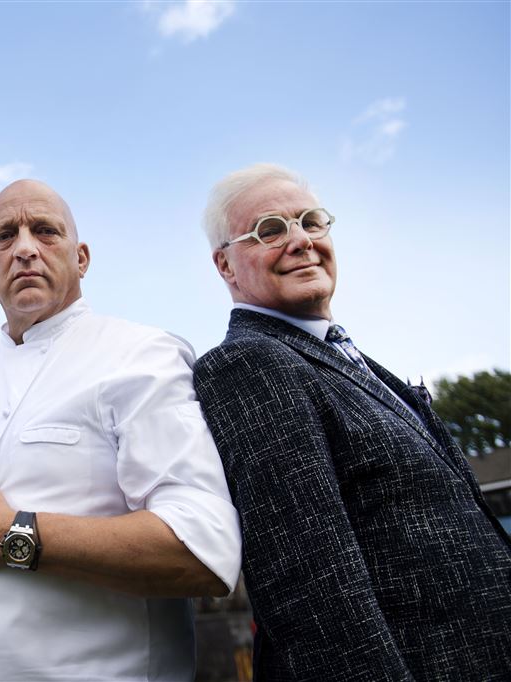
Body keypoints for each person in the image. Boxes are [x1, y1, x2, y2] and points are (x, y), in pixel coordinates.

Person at [0, 179, 242, 681]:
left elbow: (203, 551)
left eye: (45, 231)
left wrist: (10, 535)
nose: (25, 248)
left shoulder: (138, 356)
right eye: (5, 236)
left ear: (81, 258)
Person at [193, 164, 511, 680]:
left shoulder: (351, 361)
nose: (300, 241)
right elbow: (311, 588)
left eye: (311, 222)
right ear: (225, 266)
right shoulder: (249, 365)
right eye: (270, 230)